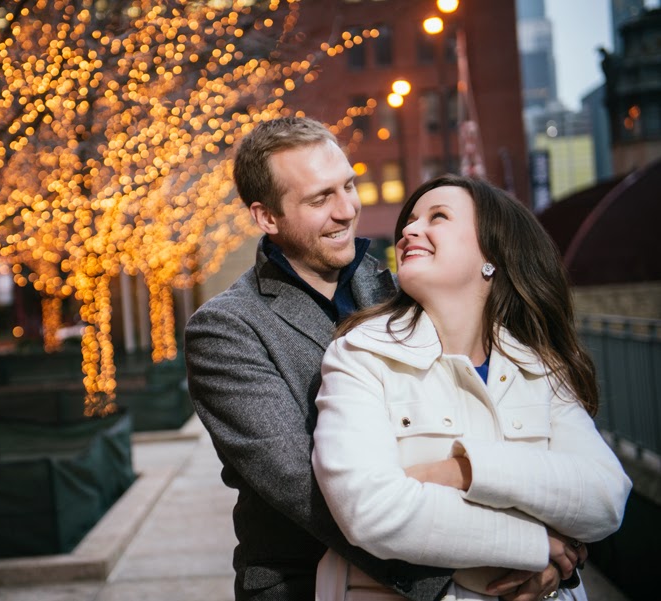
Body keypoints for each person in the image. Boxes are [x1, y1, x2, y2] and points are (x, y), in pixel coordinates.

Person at [312, 175, 633, 601]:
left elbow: (605, 498)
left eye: (438, 217)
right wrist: (537, 546)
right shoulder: (360, 355)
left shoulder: (540, 368)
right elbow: (368, 509)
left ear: (492, 256)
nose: (409, 230)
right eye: (410, 221)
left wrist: (463, 471)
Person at [185, 116, 454, 601]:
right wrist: (469, 563)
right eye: (319, 199)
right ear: (267, 218)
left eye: (348, 185)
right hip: (305, 584)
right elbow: (303, 485)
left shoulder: (401, 290)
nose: (346, 210)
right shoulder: (225, 328)